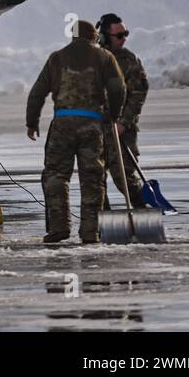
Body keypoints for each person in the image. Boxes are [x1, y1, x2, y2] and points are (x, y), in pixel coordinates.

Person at [26, 19, 126, 245]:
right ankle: (90, 231)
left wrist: (32, 122)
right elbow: (118, 88)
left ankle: (59, 227)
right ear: (93, 37)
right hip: (92, 125)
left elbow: (37, 92)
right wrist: (114, 113)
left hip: (62, 124)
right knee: (92, 178)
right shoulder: (104, 57)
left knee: (56, 176)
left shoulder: (57, 58)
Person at [97, 13, 148, 208]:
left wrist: (123, 122)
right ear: (104, 37)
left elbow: (139, 93)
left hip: (121, 129)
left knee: (124, 176)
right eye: (119, 35)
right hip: (97, 129)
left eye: (125, 33)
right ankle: (102, 223)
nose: (124, 38)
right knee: (96, 179)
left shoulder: (129, 60)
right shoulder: (95, 58)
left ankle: (142, 211)